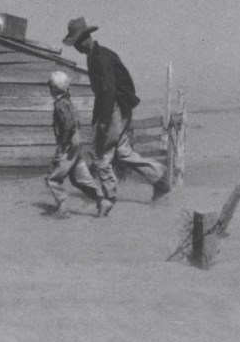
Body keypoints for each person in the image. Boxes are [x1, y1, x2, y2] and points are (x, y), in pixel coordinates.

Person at [62, 17, 170, 209]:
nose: (77, 48)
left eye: (77, 43)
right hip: (119, 109)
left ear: (86, 39)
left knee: (102, 155)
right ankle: (159, 177)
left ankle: (108, 198)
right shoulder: (95, 55)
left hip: (114, 110)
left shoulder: (100, 58)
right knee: (122, 151)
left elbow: (109, 90)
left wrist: (104, 121)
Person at [44, 70, 112, 217]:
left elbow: (68, 124)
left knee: (52, 178)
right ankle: (102, 201)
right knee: (80, 179)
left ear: (53, 88)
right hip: (77, 145)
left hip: (68, 146)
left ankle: (62, 207)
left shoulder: (60, 105)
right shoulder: (70, 103)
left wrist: (63, 144)